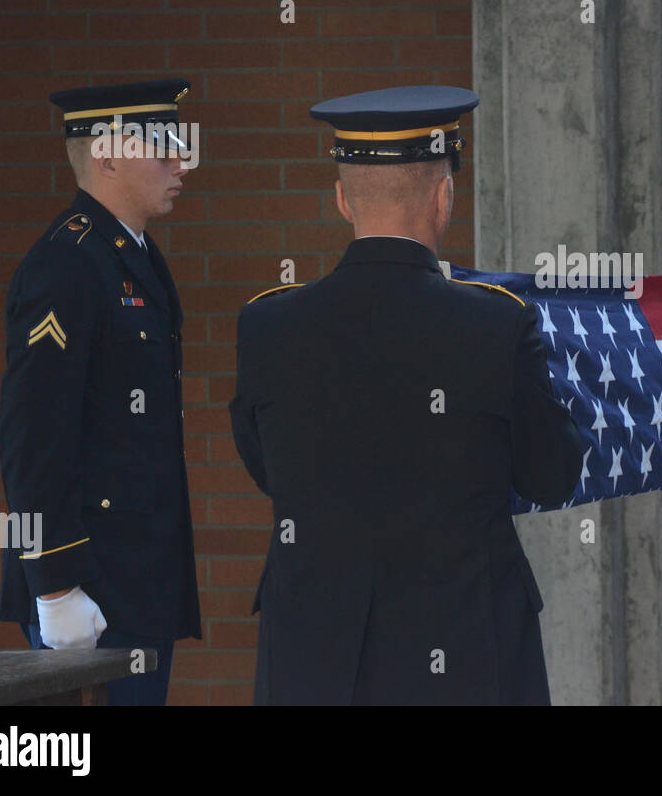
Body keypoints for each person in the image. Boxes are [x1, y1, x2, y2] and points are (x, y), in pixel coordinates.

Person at [230, 85, 583, 705]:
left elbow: (269, 468)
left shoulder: (268, 325)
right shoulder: (497, 325)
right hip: (465, 654)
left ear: (342, 199)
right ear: (444, 196)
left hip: (315, 658)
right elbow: (550, 475)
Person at [0, 79, 201, 706]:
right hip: (91, 585)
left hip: (138, 580)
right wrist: (55, 584)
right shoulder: (69, 263)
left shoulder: (129, 255)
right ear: (108, 155)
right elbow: (34, 432)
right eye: (162, 144)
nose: (180, 160)